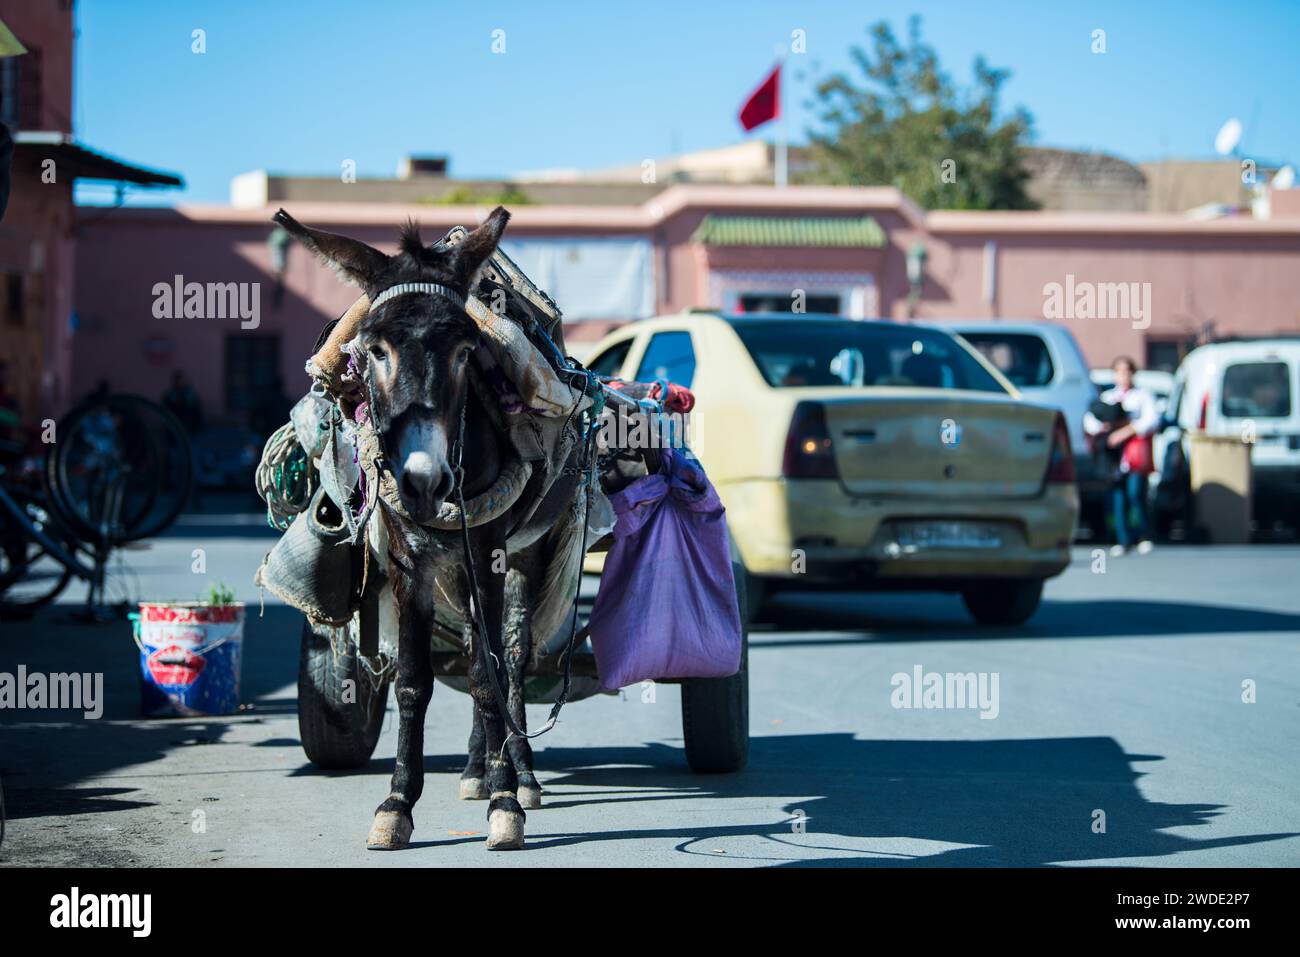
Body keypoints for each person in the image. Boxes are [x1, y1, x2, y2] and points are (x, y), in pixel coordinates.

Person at [1084, 356, 1160, 556]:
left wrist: (1125, 431)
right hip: (1113, 456)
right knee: (1117, 496)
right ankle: (1123, 539)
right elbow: (1090, 421)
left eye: (1127, 371)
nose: (1123, 376)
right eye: (1119, 372)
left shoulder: (1142, 396)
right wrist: (1107, 427)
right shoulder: (1108, 397)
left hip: (1134, 454)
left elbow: (1151, 420)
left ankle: (1144, 535)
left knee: (1135, 493)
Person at [162, 370, 204, 435]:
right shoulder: (169, 394)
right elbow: (166, 407)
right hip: (174, 421)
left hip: (187, 422)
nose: (179, 382)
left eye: (181, 380)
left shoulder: (189, 393)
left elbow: (195, 407)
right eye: (177, 380)